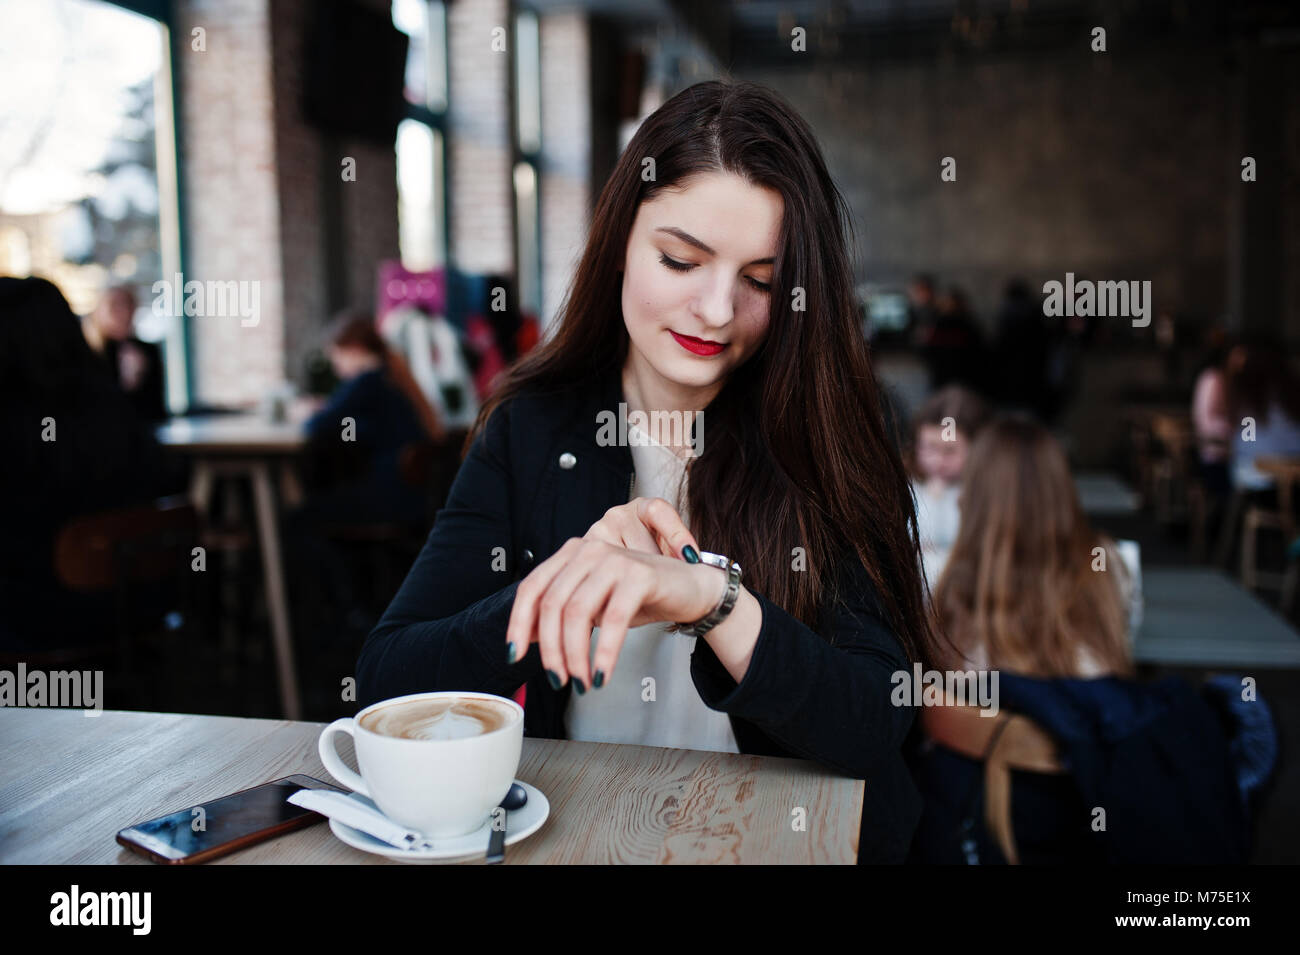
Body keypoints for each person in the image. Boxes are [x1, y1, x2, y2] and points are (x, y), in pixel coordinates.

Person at [355, 80, 943, 863]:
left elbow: (875, 718)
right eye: (680, 259)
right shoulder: (532, 430)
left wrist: (709, 596)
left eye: (759, 280)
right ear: (621, 242)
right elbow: (387, 682)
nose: (716, 310)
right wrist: (569, 584)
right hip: (595, 837)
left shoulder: (817, 435)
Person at [0, 277, 175, 652]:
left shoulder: (15, 420)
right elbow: (161, 478)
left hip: (44, 616)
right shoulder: (108, 402)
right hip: (139, 602)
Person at [288, 313, 447, 634]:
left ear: (354, 348)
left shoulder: (367, 380)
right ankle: (352, 606)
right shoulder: (392, 377)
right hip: (412, 499)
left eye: (336, 355)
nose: (335, 367)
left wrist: (307, 410)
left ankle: (336, 616)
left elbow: (317, 426)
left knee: (297, 520)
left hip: (389, 499)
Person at [909, 385, 990, 595]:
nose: (938, 461)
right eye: (929, 448)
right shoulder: (908, 488)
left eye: (950, 451)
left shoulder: (986, 496)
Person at [82, 285, 168, 423]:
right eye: (115, 306)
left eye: (129, 305)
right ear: (98, 311)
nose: (124, 313)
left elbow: (156, 411)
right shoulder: (87, 354)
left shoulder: (146, 351)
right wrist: (127, 384)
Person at [1224, 340, 1300, 493]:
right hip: (1291, 478)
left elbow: (1247, 447)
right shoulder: (1289, 396)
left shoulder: (1250, 402)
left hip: (1260, 481)